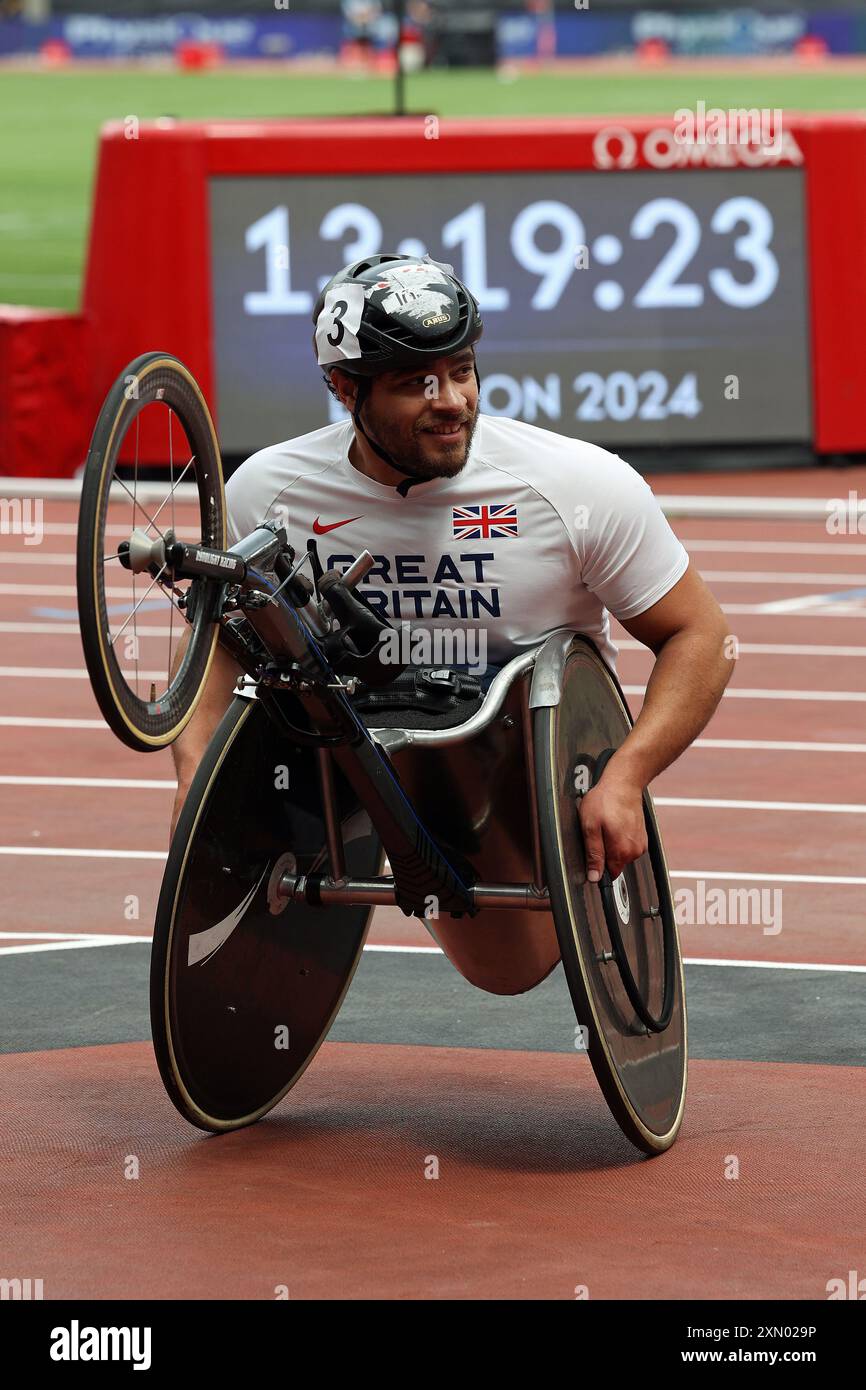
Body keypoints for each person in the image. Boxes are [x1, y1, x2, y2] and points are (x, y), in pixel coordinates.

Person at [170, 253, 733, 883]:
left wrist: (626, 776)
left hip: (519, 760)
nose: (451, 402)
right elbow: (217, 637)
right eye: (416, 383)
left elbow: (702, 636)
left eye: (461, 371)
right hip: (345, 747)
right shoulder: (268, 492)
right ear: (346, 389)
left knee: (505, 969)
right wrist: (198, 777)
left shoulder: (577, 486)